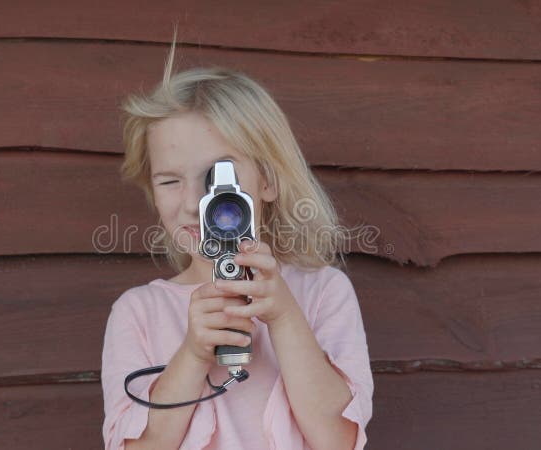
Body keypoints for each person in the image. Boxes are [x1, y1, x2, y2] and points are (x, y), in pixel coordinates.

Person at [101, 35, 373, 450]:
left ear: (266, 180)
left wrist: (284, 317)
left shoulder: (322, 293)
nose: (195, 204)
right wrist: (192, 355)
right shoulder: (138, 313)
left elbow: (339, 440)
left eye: (217, 179)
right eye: (171, 181)